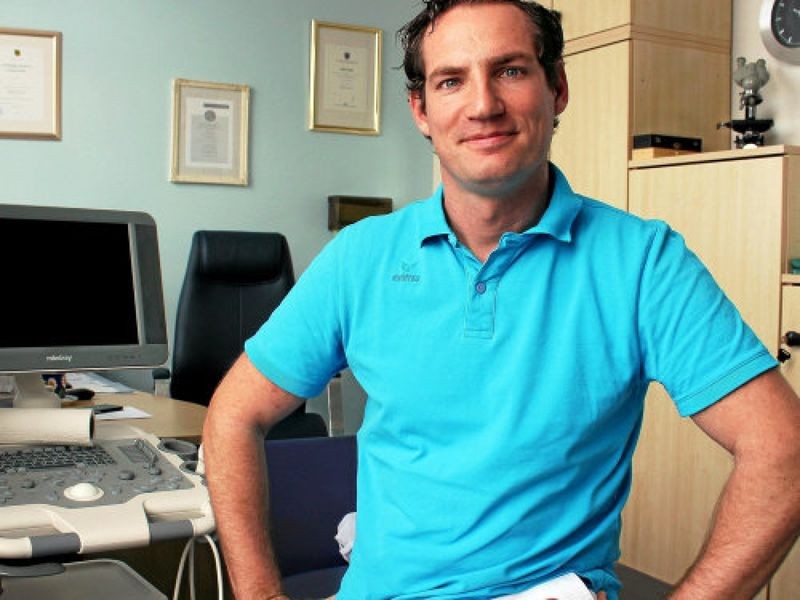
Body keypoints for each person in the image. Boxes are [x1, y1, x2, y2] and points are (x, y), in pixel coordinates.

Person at [202, 1, 800, 598]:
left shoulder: (643, 263)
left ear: (557, 88)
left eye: (510, 71)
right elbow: (233, 415)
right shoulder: (360, 256)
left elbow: (784, 451)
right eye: (451, 80)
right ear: (421, 110)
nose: (483, 105)